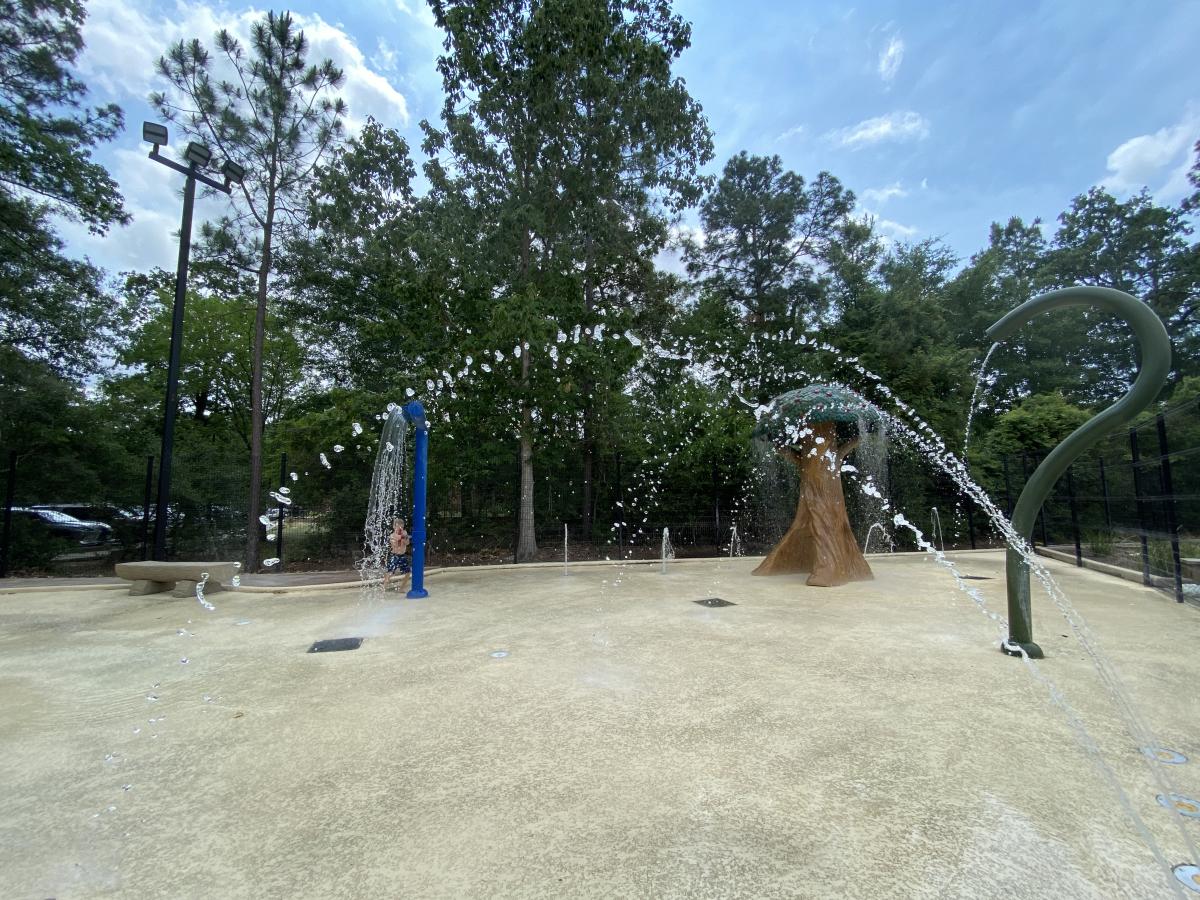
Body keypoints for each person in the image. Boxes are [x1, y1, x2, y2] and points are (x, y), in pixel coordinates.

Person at [383, 517, 411, 591]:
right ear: (394, 527)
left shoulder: (405, 533)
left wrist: (405, 538)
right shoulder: (392, 535)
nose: (399, 529)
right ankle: (384, 587)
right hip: (394, 556)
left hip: (402, 556)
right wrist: (402, 537)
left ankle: (401, 588)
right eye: (398, 527)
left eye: (401, 527)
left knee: (408, 572)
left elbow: (407, 543)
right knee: (390, 572)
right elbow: (395, 543)